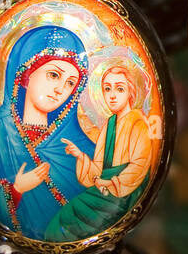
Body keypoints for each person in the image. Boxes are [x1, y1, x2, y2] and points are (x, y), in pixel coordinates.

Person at [0, 25, 95, 241]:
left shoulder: (81, 148)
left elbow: (104, 202)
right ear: (25, 75)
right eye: (53, 75)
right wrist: (16, 189)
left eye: (71, 83)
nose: (60, 89)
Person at [46, 66, 152, 239]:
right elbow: (99, 168)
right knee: (62, 219)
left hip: (124, 194)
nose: (112, 95)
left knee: (70, 224)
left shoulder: (138, 123)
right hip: (104, 189)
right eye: (107, 89)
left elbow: (139, 166)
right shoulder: (109, 124)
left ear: (130, 92)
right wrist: (80, 156)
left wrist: (111, 182)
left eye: (119, 89)